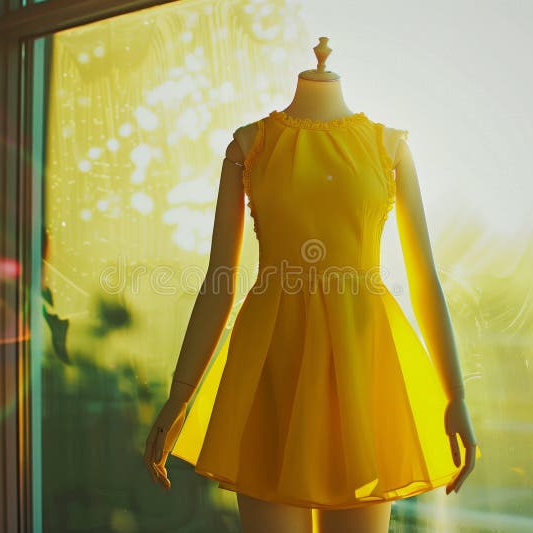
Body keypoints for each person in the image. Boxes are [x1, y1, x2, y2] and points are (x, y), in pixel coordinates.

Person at [144, 37, 478, 532]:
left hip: (363, 362)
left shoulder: (389, 147)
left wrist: (455, 395)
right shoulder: (250, 146)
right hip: (273, 363)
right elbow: (220, 281)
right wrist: (179, 396)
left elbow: (424, 274)